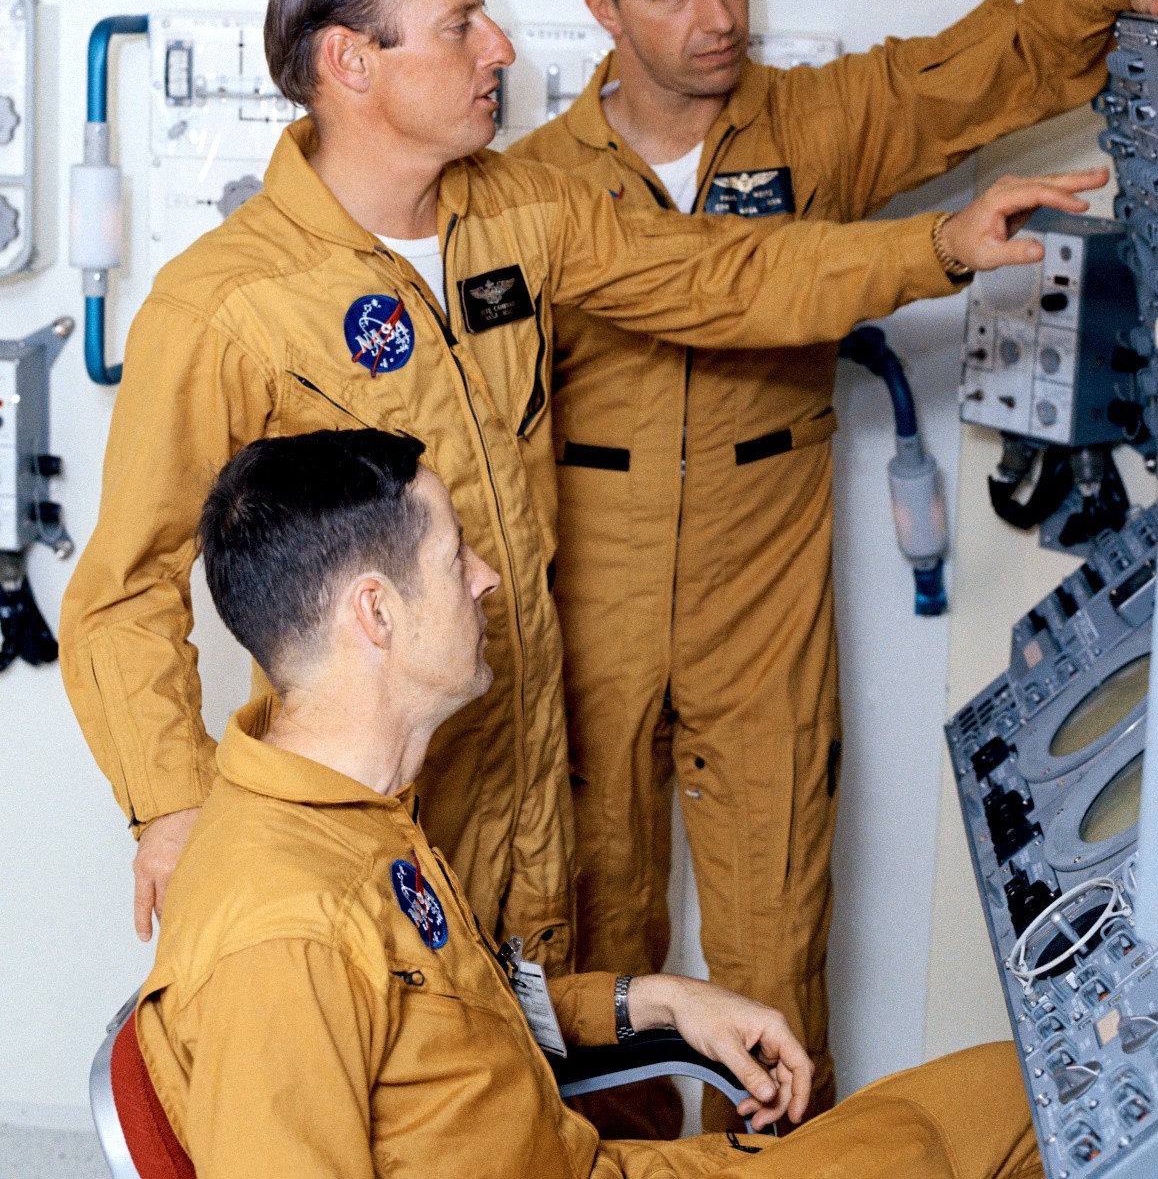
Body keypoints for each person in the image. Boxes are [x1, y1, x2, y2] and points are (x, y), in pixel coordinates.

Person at [60, 0, 1094, 972]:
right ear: (349, 61)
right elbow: (125, 588)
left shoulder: (521, 214)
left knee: (567, 1051)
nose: (499, 49)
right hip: (375, 779)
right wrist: (172, 809)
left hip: (534, 744)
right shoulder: (227, 306)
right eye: (461, 26)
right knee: (407, 1071)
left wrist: (936, 246)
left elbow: (717, 276)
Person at [512, 0, 1158, 1131]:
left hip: (758, 602)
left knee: (772, 925)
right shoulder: (532, 184)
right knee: (593, 942)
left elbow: (978, 69)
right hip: (584, 595)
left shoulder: (809, 124)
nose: (716, 19)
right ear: (600, 6)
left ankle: (780, 1169)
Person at [135, 425, 1044, 1179]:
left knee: (1035, 1090)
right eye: (455, 555)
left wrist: (655, 1001)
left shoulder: (352, 811)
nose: (486, 577)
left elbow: (458, 1021)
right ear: (375, 614)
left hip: (589, 1163)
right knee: (1024, 1130)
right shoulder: (282, 932)